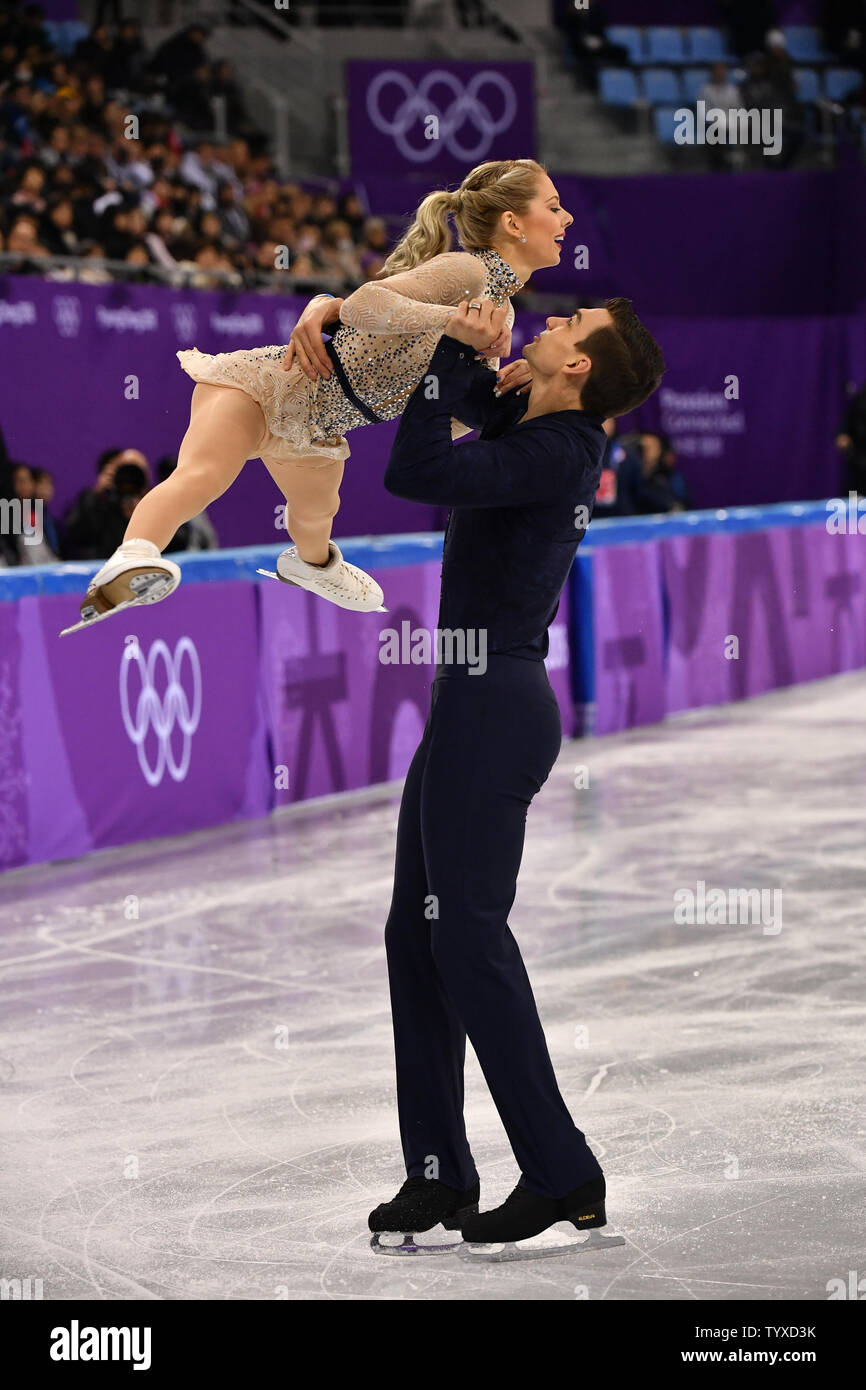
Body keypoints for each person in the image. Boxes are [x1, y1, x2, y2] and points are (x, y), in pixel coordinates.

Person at [369, 296, 665, 1255]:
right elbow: (446, 389)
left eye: (567, 324)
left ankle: (560, 1166)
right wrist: (451, 330)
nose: (550, 320)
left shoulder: (564, 450)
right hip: (468, 703)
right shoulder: (532, 420)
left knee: (465, 938)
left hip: (495, 710)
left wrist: (433, 360)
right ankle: (438, 1173)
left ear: (579, 367)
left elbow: (417, 467)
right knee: (417, 940)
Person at [68, 160, 572, 632]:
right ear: (512, 222)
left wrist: (506, 390)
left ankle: (312, 567)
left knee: (316, 516)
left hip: (322, 426)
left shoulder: (500, 315)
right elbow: (366, 303)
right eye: (552, 206)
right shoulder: (469, 274)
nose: (566, 217)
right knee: (203, 476)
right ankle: (131, 559)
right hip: (267, 385)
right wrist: (450, 323)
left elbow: (449, 420)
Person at [836, 379, 866, 494]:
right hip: (858, 462)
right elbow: (848, 423)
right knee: (853, 499)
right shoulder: (861, 399)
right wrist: (843, 435)